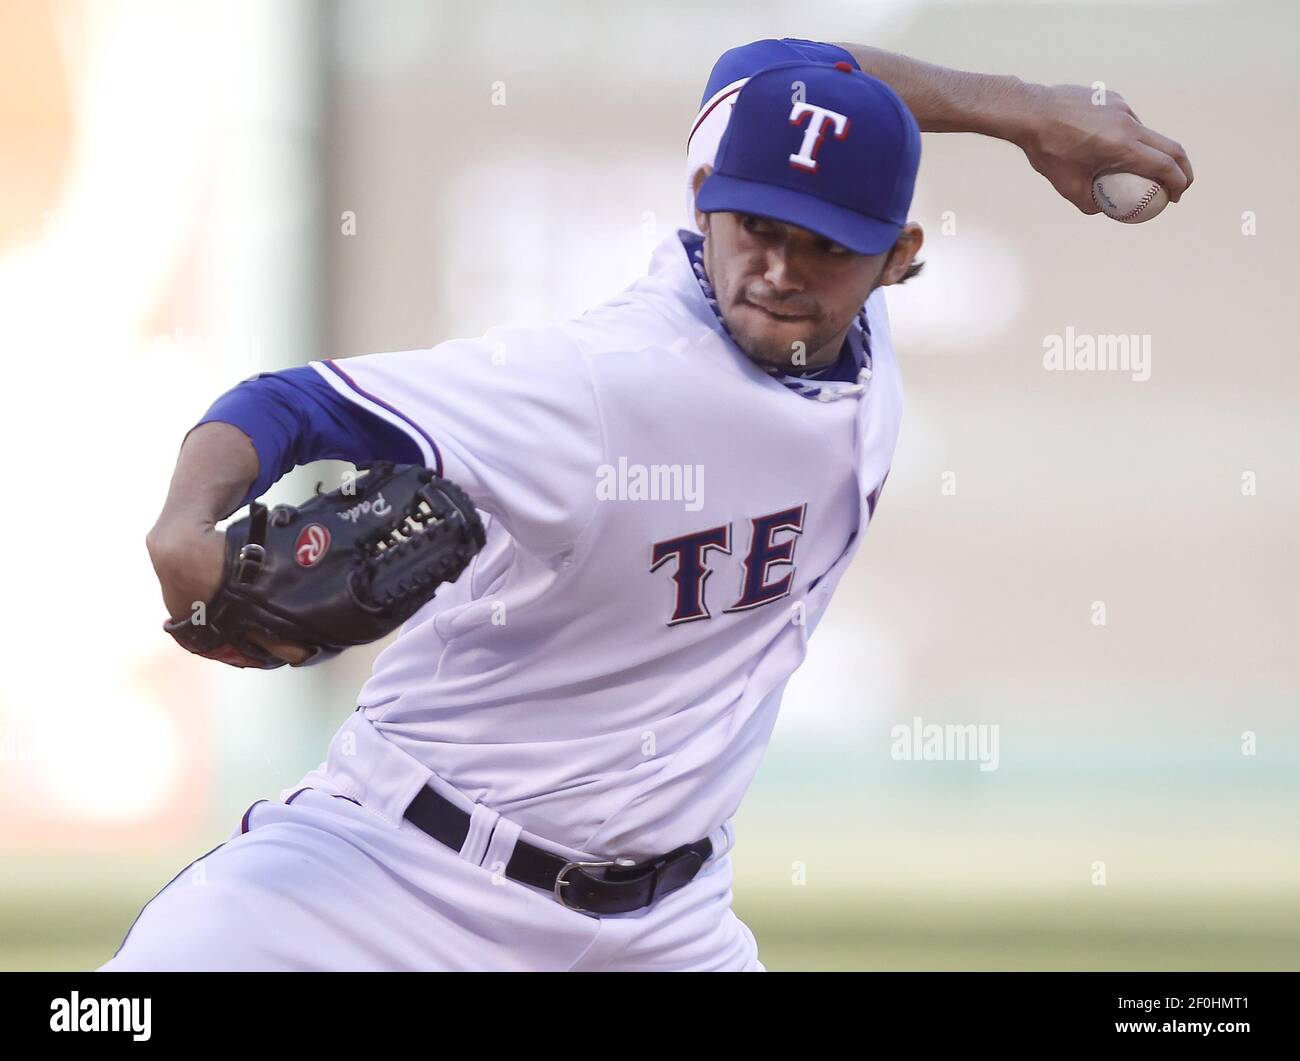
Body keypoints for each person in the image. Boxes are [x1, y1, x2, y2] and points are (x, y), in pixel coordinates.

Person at [107, 38, 1192, 972]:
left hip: (664, 928)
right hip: (388, 883)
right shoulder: (604, 383)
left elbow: (798, 71)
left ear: (899, 260)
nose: (777, 265)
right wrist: (183, 527)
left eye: (825, 244)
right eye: (756, 225)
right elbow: (289, 403)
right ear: (706, 201)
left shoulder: (845, 339)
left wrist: (1028, 113)